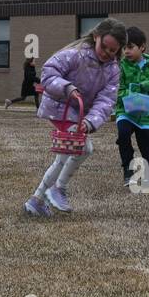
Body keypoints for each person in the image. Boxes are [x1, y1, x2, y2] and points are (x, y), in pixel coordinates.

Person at [23, 18, 125, 216]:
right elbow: (48, 73)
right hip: (60, 106)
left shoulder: (113, 71)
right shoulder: (74, 55)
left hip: (78, 114)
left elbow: (106, 101)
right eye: (104, 47)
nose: (107, 53)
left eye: (112, 51)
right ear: (96, 37)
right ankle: (52, 191)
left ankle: (37, 200)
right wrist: (67, 88)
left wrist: (89, 122)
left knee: (82, 150)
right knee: (78, 150)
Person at [114, 27, 149, 187]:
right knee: (123, 134)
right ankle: (128, 170)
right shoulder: (120, 66)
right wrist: (129, 95)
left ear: (142, 47)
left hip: (146, 114)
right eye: (124, 48)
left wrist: (147, 85)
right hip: (126, 111)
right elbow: (116, 89)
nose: (126, 51)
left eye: (130, 47)